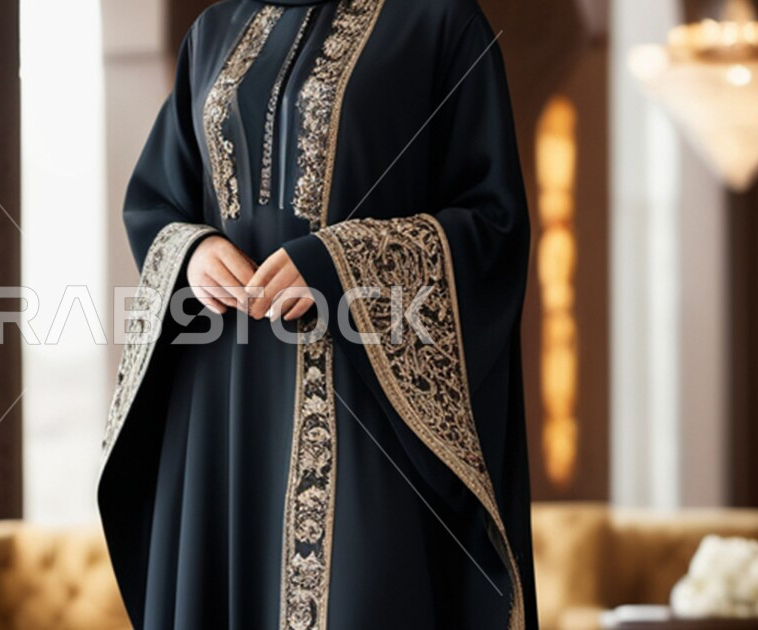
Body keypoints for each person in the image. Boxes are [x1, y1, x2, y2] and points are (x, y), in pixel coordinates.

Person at [97, 0, 538, 628]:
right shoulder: (214, 32)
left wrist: (339, 263)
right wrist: (192, 251)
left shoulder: (438, 23)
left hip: (367, 408)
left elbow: (494, 225)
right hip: (218, 409)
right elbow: (157, 201)